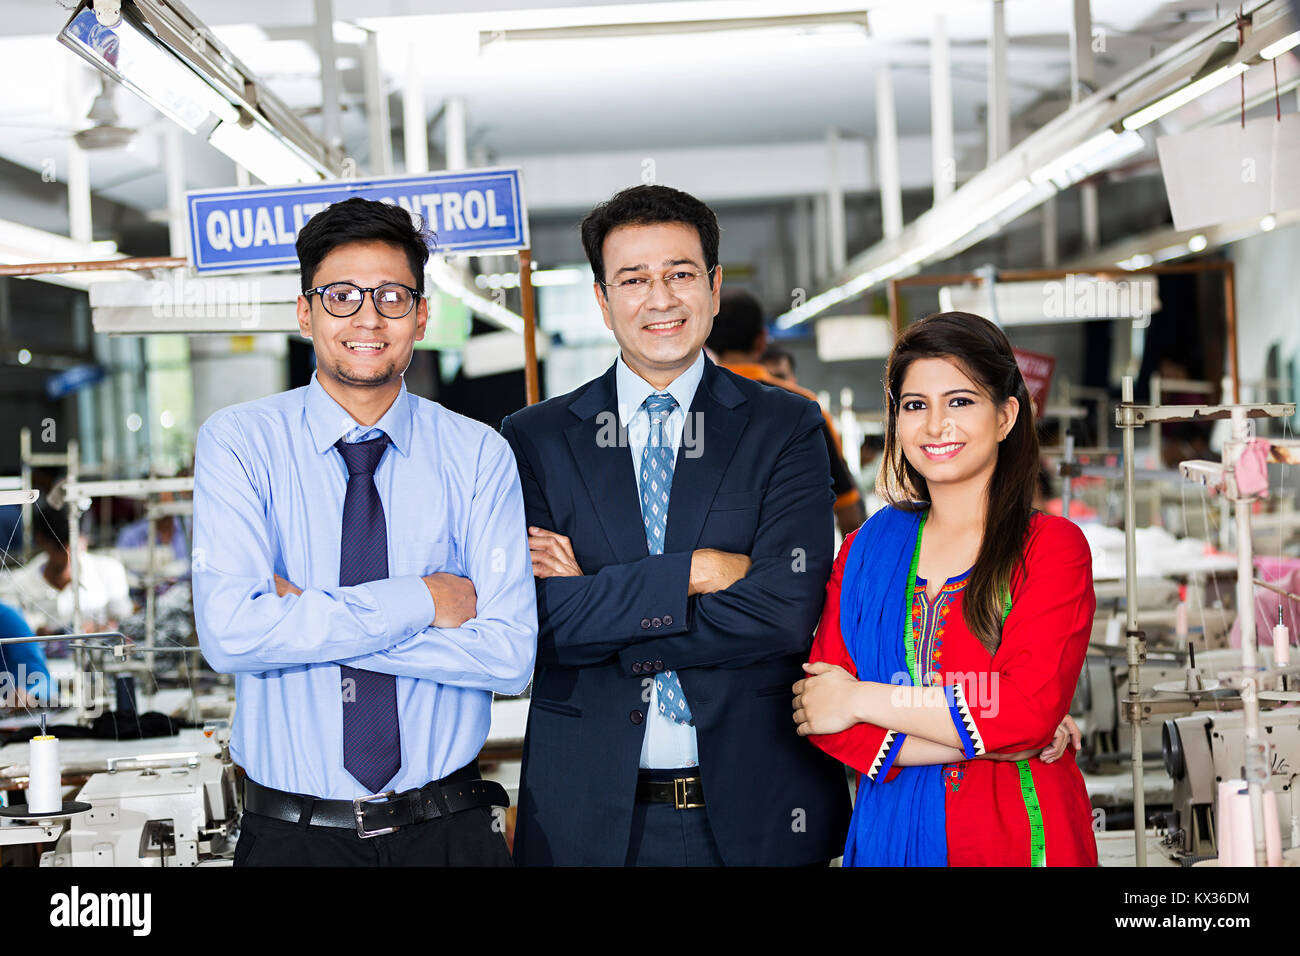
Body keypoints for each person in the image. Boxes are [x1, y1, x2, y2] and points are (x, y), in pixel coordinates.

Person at [501, 185, 851, 866]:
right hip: (589, 822)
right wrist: (695, 573)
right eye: (633, 279)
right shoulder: (534, 439)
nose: (660, 299)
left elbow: (784, 611)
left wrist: (603, 604)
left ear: (715, 288)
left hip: (758, 814)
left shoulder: (785, 426)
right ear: (602, 300)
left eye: (681, 274)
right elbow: (538, 620)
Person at [192, 197, 536, 866]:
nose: (368, 318)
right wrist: (420, 603)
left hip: (449, 833)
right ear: (305, 312)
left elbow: (509, 658)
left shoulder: (478, 453)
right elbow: (232, 636)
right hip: (293, 839)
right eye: (342, 296)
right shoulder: (238, 443)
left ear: (422, 314)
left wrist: (301, 621)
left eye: (392, 296)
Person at [793, 311, 1097, 866]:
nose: (936, 425)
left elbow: (1024, 711)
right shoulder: (869, 546)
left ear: (1006, 417)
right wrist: (1002, 739)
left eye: (960, 401)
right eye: (915, 405)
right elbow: (819, 712)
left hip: (1015, 834)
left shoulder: (1051, 548)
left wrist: (862, 699)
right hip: (891, 834)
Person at [708, 290, 865, 536]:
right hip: (794, 562)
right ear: (761, 340)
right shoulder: (805, 406)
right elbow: (846, 505)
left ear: (705, 341)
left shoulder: (686, 407)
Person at [0, 503, 132, 635]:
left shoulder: (110, 571)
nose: (69, 558)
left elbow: (123, 621)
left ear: (86, 539)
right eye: (60, 549)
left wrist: (96, 628)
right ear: (41, 540)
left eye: (75, 548)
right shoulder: (17, 585)